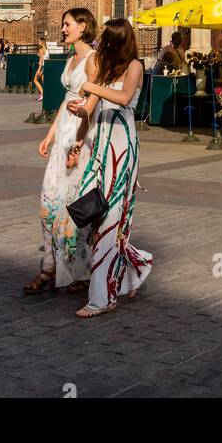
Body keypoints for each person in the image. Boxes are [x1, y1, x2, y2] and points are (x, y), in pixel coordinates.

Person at [71, 19, 152, 317]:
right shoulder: (105, 68)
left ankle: (101, 298)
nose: (100, 43)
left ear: (117, 41)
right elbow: (91, 107)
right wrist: (78, 114)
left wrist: (92, 86)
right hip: (101, 147)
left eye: (105, 38)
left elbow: (124, 98)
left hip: (122, 149)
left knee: (111, 221)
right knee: (93, 216)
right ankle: (136, 263)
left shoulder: (134, 67)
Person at [25, 8, 98, 294]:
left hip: (80, 136)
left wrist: (79, 143)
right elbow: (65, 101)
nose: (63, 29)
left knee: (73, 205)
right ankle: (50, 266)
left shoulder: (93, 60)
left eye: (67, 25)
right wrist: (50, 135)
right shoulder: (70, 59)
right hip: (64, 135)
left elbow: (93, 103)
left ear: (82, 26)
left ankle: (81, 271)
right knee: (48, 203)